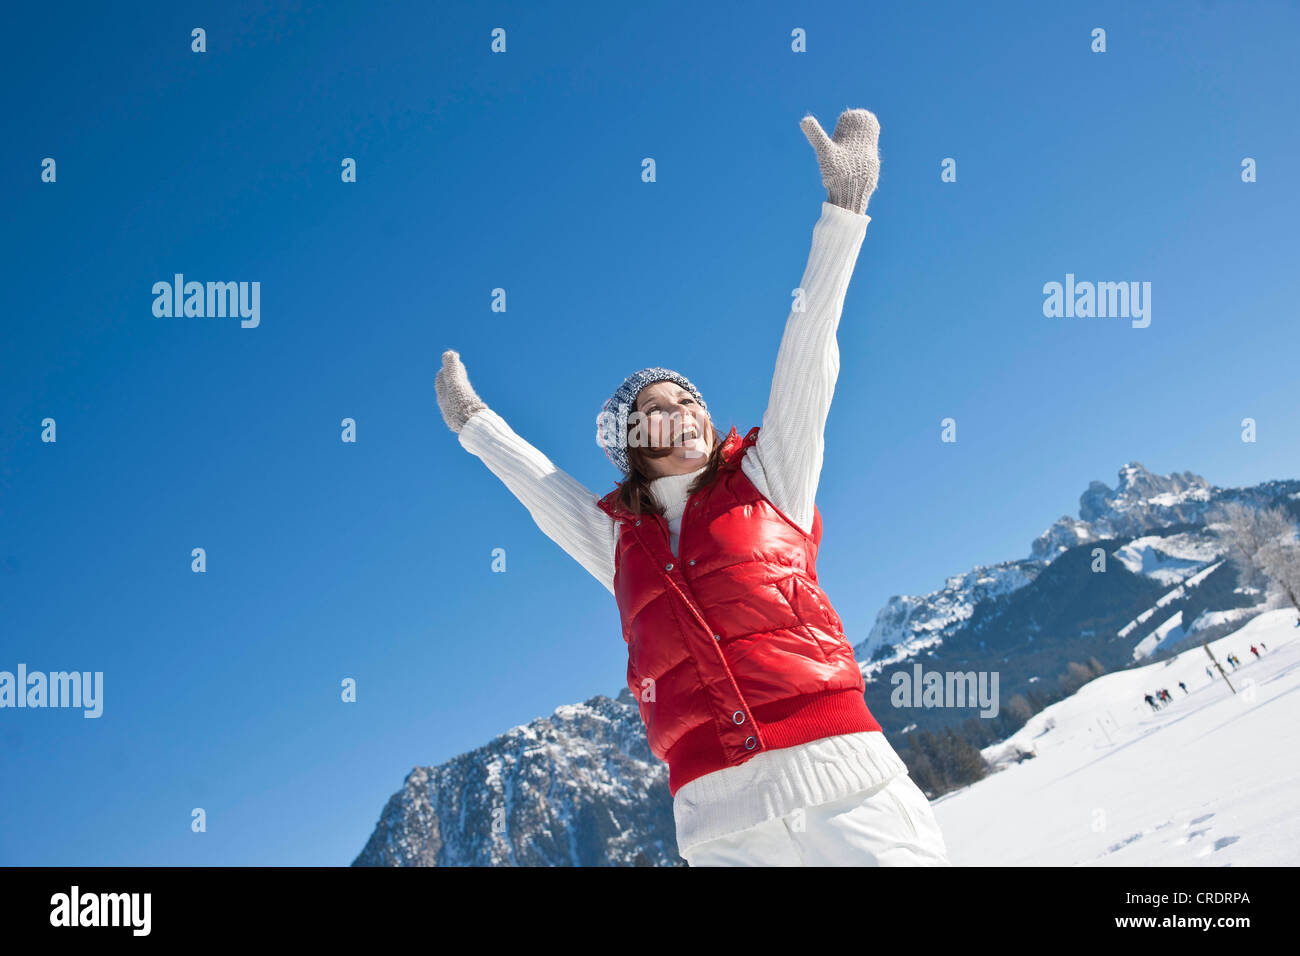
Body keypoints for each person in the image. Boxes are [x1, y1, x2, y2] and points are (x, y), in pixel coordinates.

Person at [436, 109, 949, 867]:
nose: (679, 411)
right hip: (717, 822)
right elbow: (543, 491)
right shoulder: (620, 541)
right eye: (655, 409)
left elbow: (810, 352)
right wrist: (474, 424)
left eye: (689, 400)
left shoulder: (771, 477)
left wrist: (844, 214)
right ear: (630, 450)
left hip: (844, 780)